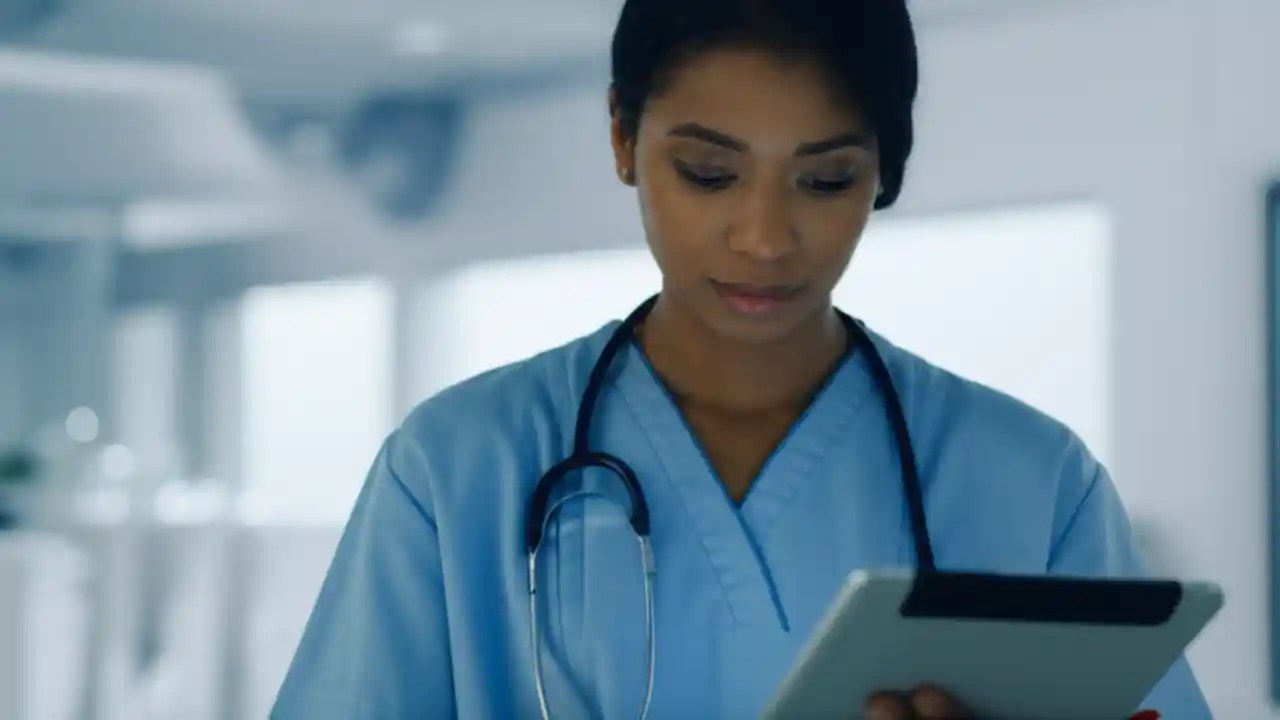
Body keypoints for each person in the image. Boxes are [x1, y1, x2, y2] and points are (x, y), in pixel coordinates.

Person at [272, 1, 1211, 718]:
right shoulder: (454, 468)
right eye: (709, 174)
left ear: (885, 170)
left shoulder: (1033, 481)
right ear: (622, 135)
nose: (764, 238)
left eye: (825, 180)